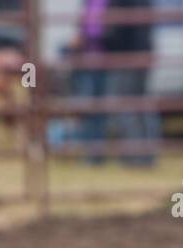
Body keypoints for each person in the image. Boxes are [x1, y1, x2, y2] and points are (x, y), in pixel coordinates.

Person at [71, 0, 158, 165]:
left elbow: (118, 28)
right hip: (130, 54)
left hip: (125, 55)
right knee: (137, 107)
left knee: (127, 108)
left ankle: (137, 157)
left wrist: (100, 36)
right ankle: (141, 156)